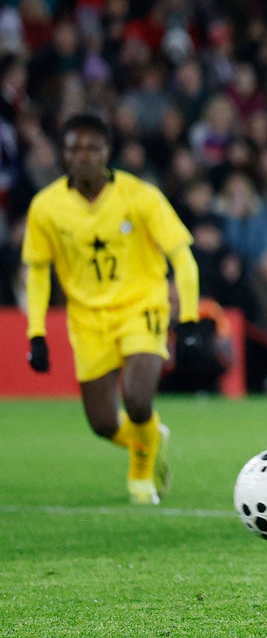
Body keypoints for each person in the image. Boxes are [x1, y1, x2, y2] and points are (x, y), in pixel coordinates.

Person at [21, 113, 201, 505]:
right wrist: (35, 331)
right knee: (102, 423)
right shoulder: (47, 207)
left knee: (137, 400)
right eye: (74, 148)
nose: (83, 156)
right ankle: (152, 438)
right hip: (87, 319)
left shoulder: (140, 196)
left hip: (142, 306)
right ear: (63, 154)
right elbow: (37, 271)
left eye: (92, 148)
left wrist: (188, 319)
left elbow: (183, 259)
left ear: (107, 152)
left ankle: (140, 478)